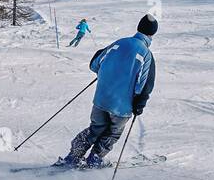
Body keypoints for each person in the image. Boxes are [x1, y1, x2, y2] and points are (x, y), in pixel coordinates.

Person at [56, 14, 158, 168]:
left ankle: (73, 155)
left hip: (101, 99)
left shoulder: (119, 43)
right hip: (121, 106)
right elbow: (143, 86)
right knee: (113, 132)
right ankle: (94, 159)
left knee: (95, 128)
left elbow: (95, 64)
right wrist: (139, 104)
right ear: (152, 34)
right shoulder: (146, 54)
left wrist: (108, 74)